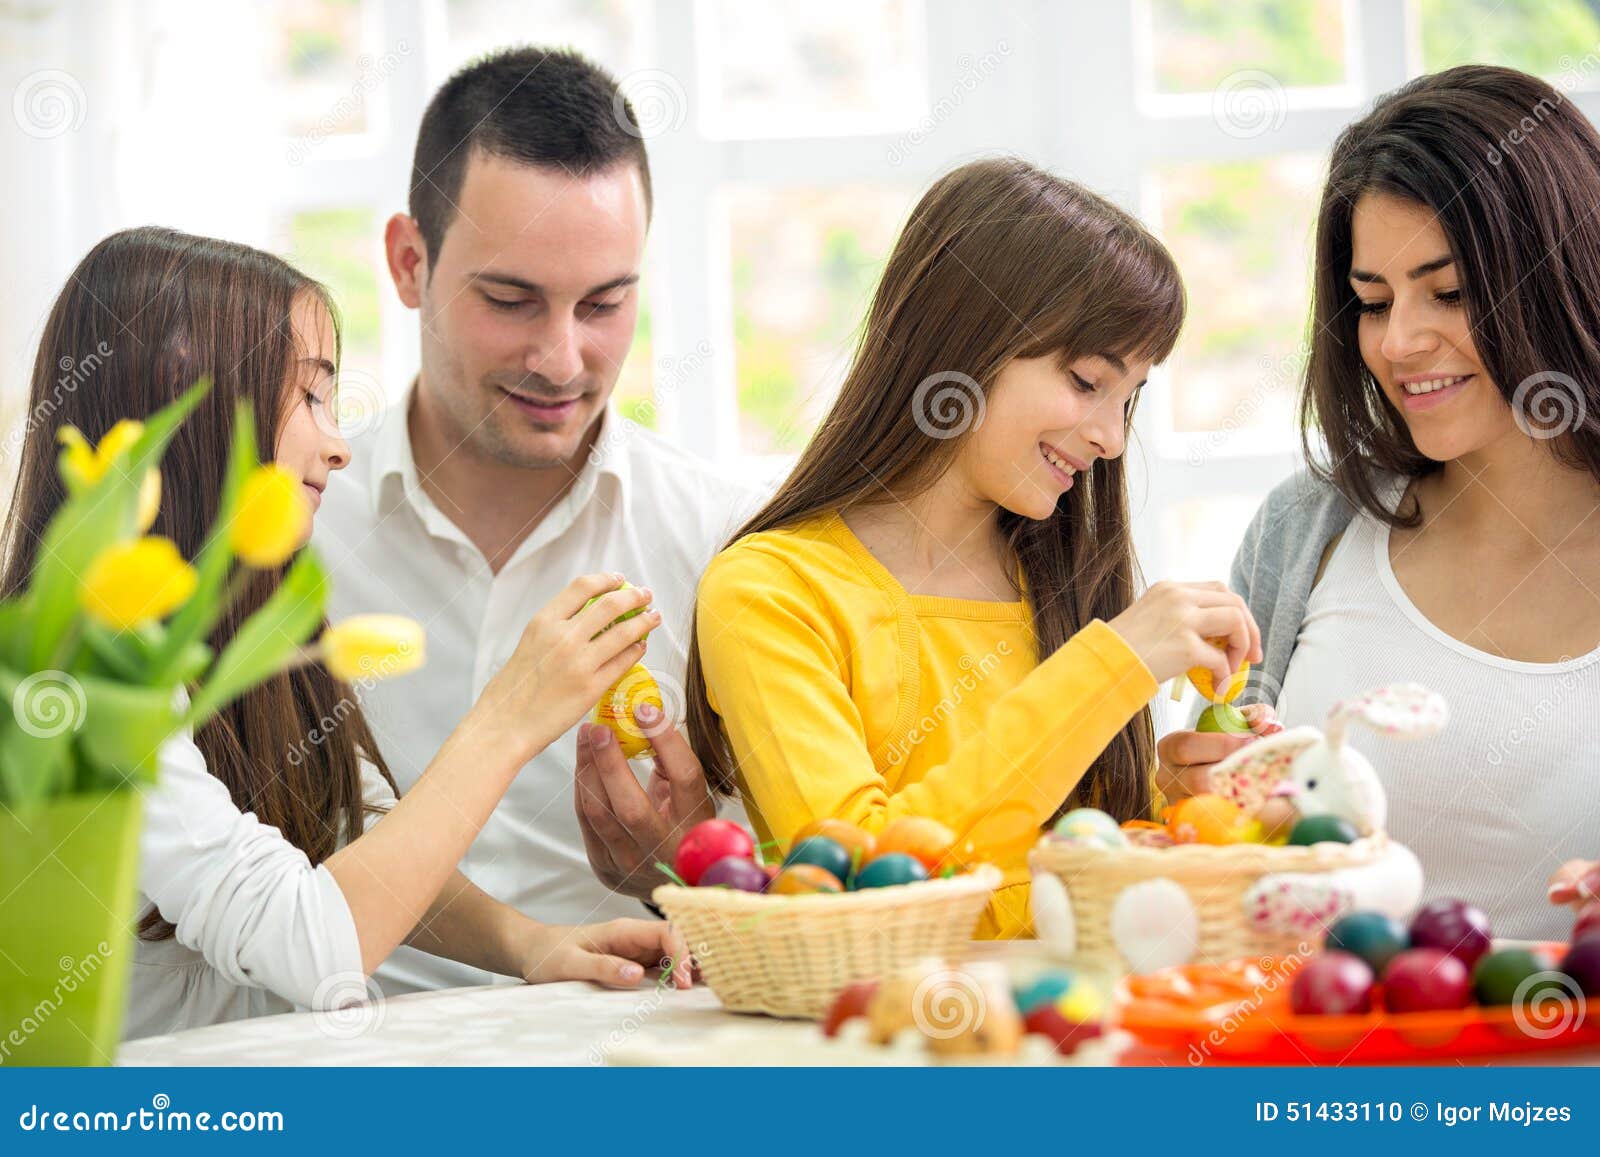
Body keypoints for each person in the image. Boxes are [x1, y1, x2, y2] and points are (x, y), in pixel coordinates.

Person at [0, 227, 690, 1039]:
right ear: (188, 391)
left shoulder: (252, 624)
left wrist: (534, 943)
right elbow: (312, 944)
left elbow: (356, 842)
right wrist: (510, 717)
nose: (337, 446)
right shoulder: (70, 674)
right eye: (311, 396)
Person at [683, 158, 1261, 938]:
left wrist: (1190, 809)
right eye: (1089, 380)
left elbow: (1078, 879)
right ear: (965, 341)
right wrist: (1112, 667)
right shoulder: (770, 593)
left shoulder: (1066, 582)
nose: (1112, 436)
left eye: (1131, 398)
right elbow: (869, 877)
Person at [315, 47, 758, 991]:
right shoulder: (297, 528)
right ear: (409, 262)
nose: (563, 361)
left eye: (604, 303)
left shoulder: (724, 541)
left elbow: (809, 899)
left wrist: (685, 865)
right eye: (511, 300)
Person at [1157, 65, 1600, 940]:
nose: (1398, 341)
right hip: (1299, 1061)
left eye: (1451, 292)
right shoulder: (1306, 529)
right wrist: (1198, 798)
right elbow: (1229, 853)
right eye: (1372, 301)